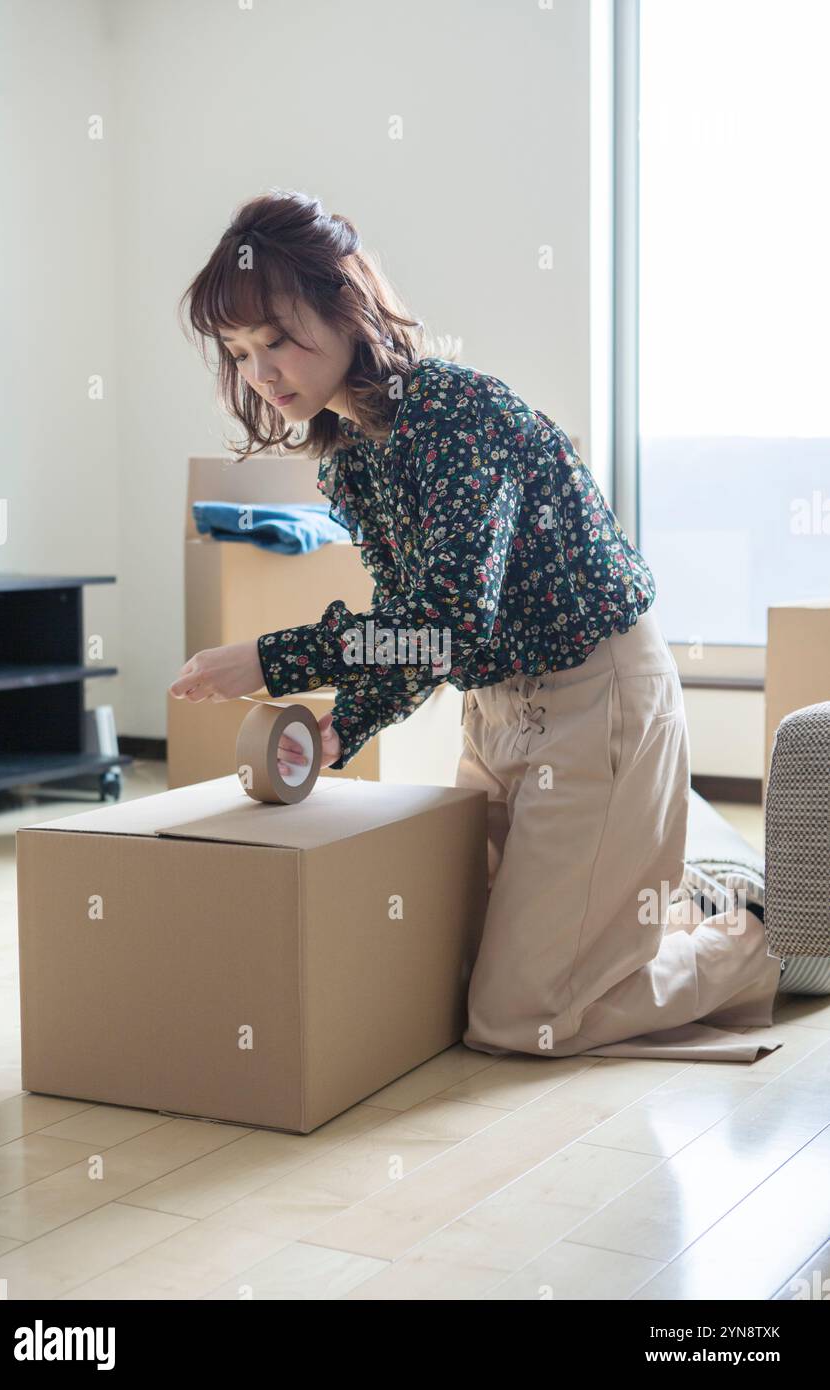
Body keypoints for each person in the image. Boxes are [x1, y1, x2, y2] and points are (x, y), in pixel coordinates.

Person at [170, 189, 785, 1063]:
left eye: (276, 339)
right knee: (448, 974)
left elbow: (450, 623)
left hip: (596, 703)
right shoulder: (349, 457)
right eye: (240, 353)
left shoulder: (454, 416)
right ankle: (664, 885)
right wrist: (345, 723)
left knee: (517, 1018)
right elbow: (409, 632)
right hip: (496, 717)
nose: (262, 374)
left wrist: (271, 660)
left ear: (346, 302)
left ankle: (761, 934)